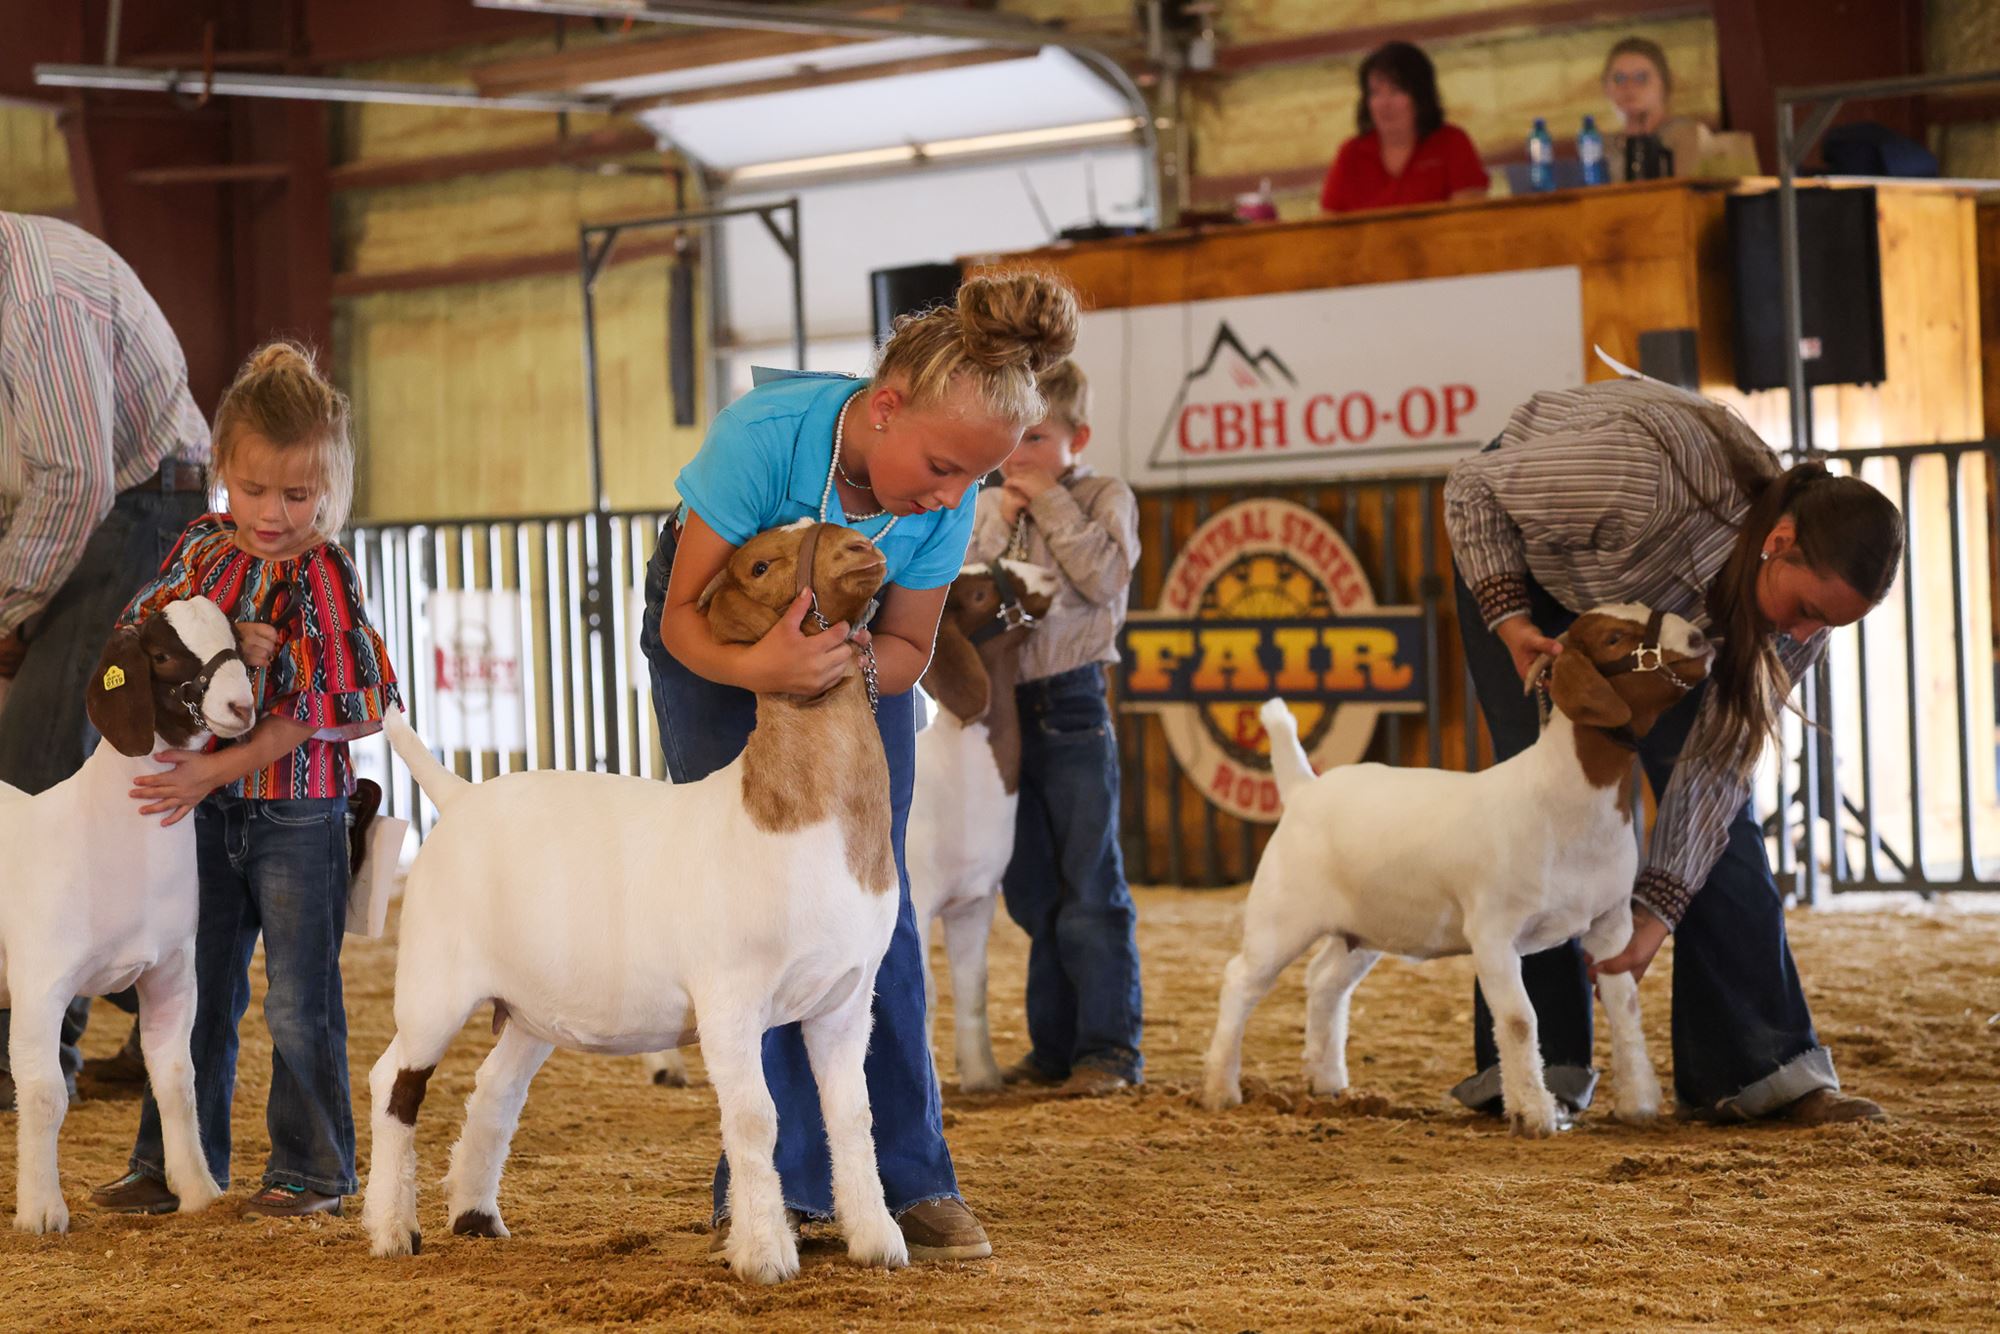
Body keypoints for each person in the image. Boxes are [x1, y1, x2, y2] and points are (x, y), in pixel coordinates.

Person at [639, 271, 1079, 1262]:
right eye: (935, 466)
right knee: (755, 903)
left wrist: (831, 672)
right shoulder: (765, 436)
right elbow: (680, 620)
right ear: (884, 407)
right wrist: (765, 666)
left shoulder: (941, 501)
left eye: (970, 481)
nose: (944, 495)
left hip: (851, 658)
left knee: (869, 897)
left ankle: (910, 1176)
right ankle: (775, 1185)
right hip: (715, 634)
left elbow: (911, 647)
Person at [1443, 377, 1903, 1126]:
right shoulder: (1647, 478)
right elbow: (1472, 490)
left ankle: (1761, 1067)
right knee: (1543, 797)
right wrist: (1509, 616)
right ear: (1779, 544)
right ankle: (1531, 1068)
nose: (1808, 637)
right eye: (1810, 611)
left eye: (1831, 627)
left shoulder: (1791, 626)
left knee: (1725, 808)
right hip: (1534, 564)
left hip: (1666, 616)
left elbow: (1713, 773)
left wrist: (1657, 912)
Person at [90, 341, 400, 1218]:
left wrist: (212, 770)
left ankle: (311, 1168)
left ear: (329, 490)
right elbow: (140, 634)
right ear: (222, 467)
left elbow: (317, 709)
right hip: (203, 812)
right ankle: (172, 1161)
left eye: (297, 495)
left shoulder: (322, 573)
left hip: (296, 809)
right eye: (255, 489)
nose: (272, 513)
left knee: (302, 997)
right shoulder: (197, 549)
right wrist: (223, 626)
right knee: (189, 986)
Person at [0, 211, 211, 1112]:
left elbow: (77, 477)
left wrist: (8, 612)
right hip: (66, 511)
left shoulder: (41, 296)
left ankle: (38, 1046)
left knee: (37, 766)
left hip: (138, 504)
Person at [963, 359, 1143, 1096]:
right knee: (1033, 888)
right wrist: (1001, 519)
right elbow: (961, 591)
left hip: (1072, 702)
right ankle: (1052, 1046)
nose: (1019, 455)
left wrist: (1050, 507)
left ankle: (1108, 1051)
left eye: (1037, 438)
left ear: (1079, 437)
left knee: (1089, 882)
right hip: (1000, 712)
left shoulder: (1104, 496)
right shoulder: (986, 507)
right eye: (1011, 438)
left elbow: (1106, 580)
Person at [1320, 41, 1489, 215]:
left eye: (1396, 91)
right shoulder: (1351, 155)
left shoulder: (1452, 143)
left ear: (1420, 96)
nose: (1384, 103)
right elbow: (1329, 231)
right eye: (1375, 93)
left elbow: (1469, 222)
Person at [1601, 36, 1703, 181]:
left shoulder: (1682, 132)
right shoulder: (1603, 145)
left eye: (1641, 78)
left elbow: (1681, 193)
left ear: (1664, 84)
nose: (1629, 86)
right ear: (1606, 86)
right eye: (1619, 78)